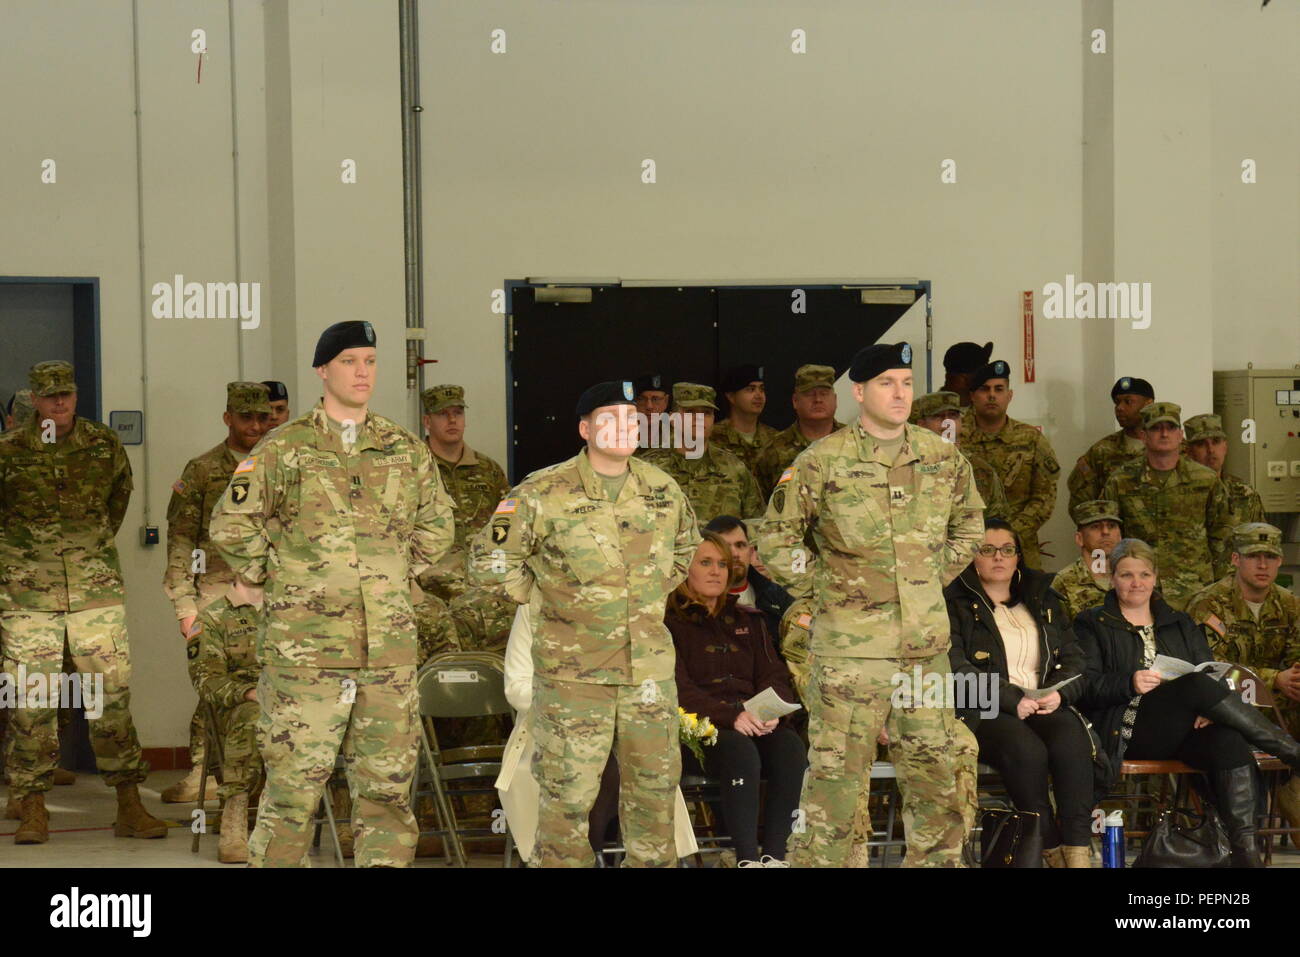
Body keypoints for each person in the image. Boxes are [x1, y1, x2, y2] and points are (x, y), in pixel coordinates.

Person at [209, 320, 455, 867]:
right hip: (306, 655)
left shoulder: (403, 448)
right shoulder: (285, 447)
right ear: (323, 370)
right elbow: (230, 524)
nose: (362, 371)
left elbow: (438, 526)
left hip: (386, 653)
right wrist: (287, 578)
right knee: (294, 790)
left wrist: (389, 574)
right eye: (349, 361)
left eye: (369, 360)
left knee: (387, 791)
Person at [757, 341, 984, 867]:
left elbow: (970, 525)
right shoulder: (822, 460)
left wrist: (927, 578)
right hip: (850, 654)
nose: (900, 393)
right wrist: (827, 589)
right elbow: (775, 539)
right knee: (836, 785)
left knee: (936, 779)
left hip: (923, 651)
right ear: (858, 392)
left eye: (906, 382)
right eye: (886, 383)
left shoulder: (942, 456)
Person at [468, 380, 700, 867]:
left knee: (655, 797)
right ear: (584, 428)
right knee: (567, 800)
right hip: (574, 676)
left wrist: (646, 593)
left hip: (648, 674)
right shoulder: (541, 490)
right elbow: (488, 559)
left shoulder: (662, 488)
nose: (623, 428)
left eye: (632, 419)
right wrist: (538, 595)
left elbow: (685, 551)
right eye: (609, 419)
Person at [0, 360, 167, 845]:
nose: (60, 403)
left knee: (110, 699)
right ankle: (33, 807)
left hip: (94, 594)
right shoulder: (8, 451)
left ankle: (130, 807)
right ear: (33, 398)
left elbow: (118, 499)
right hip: (28, 597)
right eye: (50, 395)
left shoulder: (102, 444)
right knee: (31, 703)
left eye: (66, 394)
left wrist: (87, 549)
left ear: (75, 395)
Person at [1073, 538, 1300, 868]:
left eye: (1145, 574)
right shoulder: (1091, 623)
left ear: (1156, 577)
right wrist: (1129, 681)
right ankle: (1291, 751)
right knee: (1194, 686)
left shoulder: (1178, 621)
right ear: (1112, 578)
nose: (1137, 583)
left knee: (1228, 739)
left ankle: (1246, 858)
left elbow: (1211, 673)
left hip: (1184, 726)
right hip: (1127, 727)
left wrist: (1212, 709)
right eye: (1126, 575)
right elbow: (1085, 686)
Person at [946, 519, 1094, 867]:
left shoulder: (1043, 598)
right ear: (973, 557)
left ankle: (1078, 851)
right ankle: (1049, 845)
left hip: (1044, 701)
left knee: (1071, 741)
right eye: (987, 550)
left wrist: (1061, 695)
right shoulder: (953, 603)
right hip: (983, 707)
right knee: (1025, 750)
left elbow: (1076, 659)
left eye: (1007, 550)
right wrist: (1012, 698)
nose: (999, 557)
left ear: (1018, 557)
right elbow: (955, 670)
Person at [666, 533, 807, 867]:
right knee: (737, 748)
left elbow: (775, 674)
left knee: (789, 746)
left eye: (722, 565)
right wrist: (731, 716)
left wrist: (772, 710)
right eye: (705, 563)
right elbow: (678, 690)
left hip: (752, 721)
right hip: (698, 730)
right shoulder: (667, 624)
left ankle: (775, 856)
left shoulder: (749, 620)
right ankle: (747, 859)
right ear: (684, 570)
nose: (716, 571)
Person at [162, 381, 272, 803]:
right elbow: (182, 541)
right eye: (246, 417)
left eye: (263, 417)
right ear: (228, 417)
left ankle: (247, 785)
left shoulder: (281, 465)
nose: (255, 425)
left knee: (258, 686)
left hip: (268, 595)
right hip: (214, 595)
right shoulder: (203, 470)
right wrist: (184, 606)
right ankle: (203, 771)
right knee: (214, 685)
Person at [1185, 523, 1300, 836]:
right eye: (1253, 557)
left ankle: (1292, 790)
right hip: (1227, 711)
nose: (1262, 565)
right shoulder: (1208, 604)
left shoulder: (1290, 604)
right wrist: (1273, 678)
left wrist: (1292, 678)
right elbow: (1210, 668)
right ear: (1235, 559)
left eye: (1270, 557)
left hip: (1282, 710)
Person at [1101, 402, 1232, 610]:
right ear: (1144, 435)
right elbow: (1107, 537)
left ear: (1180, 435)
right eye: (1156, 428)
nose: (1164, 434)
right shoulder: (1121, 481)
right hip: (1139, 590)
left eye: (1170, 428)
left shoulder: (1205, 480)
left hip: (1195, 593)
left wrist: (1219, 587)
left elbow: (1222, 536)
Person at [958, 360, 1060, 570]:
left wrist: (1008, 533)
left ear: (1009, 395)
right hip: (963, 546)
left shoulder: (1030, 438)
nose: (992, 395)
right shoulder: (954, 437)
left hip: (1018, 546)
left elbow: (1044, 498)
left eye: (999, 389)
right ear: (972, 396)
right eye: (984, 389)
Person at [188, 585, 264, 863]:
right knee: (252, 714)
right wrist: (247, 692)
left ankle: (344, 821)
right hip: (236, 706)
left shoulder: (293, 606)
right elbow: (206, 680)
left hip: (293, 698)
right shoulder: (213, 617)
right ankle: (234, 815)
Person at [420, 384, 510, 602]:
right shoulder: (414, 470)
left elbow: (508, 520)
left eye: (458, 413)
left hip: (483, 583)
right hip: (432, 588)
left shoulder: (488, 469)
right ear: (427, 422)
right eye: (443, 414)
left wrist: (500, 567)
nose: (452, 420)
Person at [642, 383, 763, 526]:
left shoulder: (734, 468)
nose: (699, 419)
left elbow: (758, 523)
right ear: (672, 419)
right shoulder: (647, 469)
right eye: (690, 412)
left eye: (706, 413)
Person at [913, 390, 1010, 521]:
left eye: (953, 416)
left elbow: (996, 524)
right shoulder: (909, 468)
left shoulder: (980, 470)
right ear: (922, 425)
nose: (947, 423)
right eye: (938, 416)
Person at [753, 364, 846, 499]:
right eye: (809, 394)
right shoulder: (772, 452)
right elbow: (760, 509)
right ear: (795, 401)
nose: (818, 400)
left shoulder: (857, 442)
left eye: (824, 394)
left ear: (835, 400)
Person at [1066, 377, 1154, 514]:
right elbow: (1080, 504)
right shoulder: (1101, 451)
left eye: (1128, 401)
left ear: (1149, 405)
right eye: (1117, 402)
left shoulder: (1177, 448)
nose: (1119, 408)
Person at [702, 515, 793, 642]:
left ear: (750, 552)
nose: (734, 554)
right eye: (725, 546)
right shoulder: (694, 603)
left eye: (740, 545)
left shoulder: (776, 596)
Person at [1183, 413, 1265, 530]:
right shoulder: (1178, 494)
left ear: (1225, 447)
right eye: (1201, 444)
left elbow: (1262, 539)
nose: (1210, 450)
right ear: (1189, 452)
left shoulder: (1245, 494)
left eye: (1216, 441)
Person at [1051, 499, 1124, 623]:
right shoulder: (1063, 582)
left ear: (1120, 536)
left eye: (1111, 526)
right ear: (1079, 538)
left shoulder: (1135, 576)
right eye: (1095, 527)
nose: (1105, 532)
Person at [710, 364, 778, 476]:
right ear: (731, 396)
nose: (759, 395)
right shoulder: (713, 437)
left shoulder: (775, 439)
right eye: (750, 389)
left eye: (762, 389)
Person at [940, 341, 993, 410]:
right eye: (981, 373)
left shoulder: (984, 409)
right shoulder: (928, 409)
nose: (986, 378)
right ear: (962, 379)